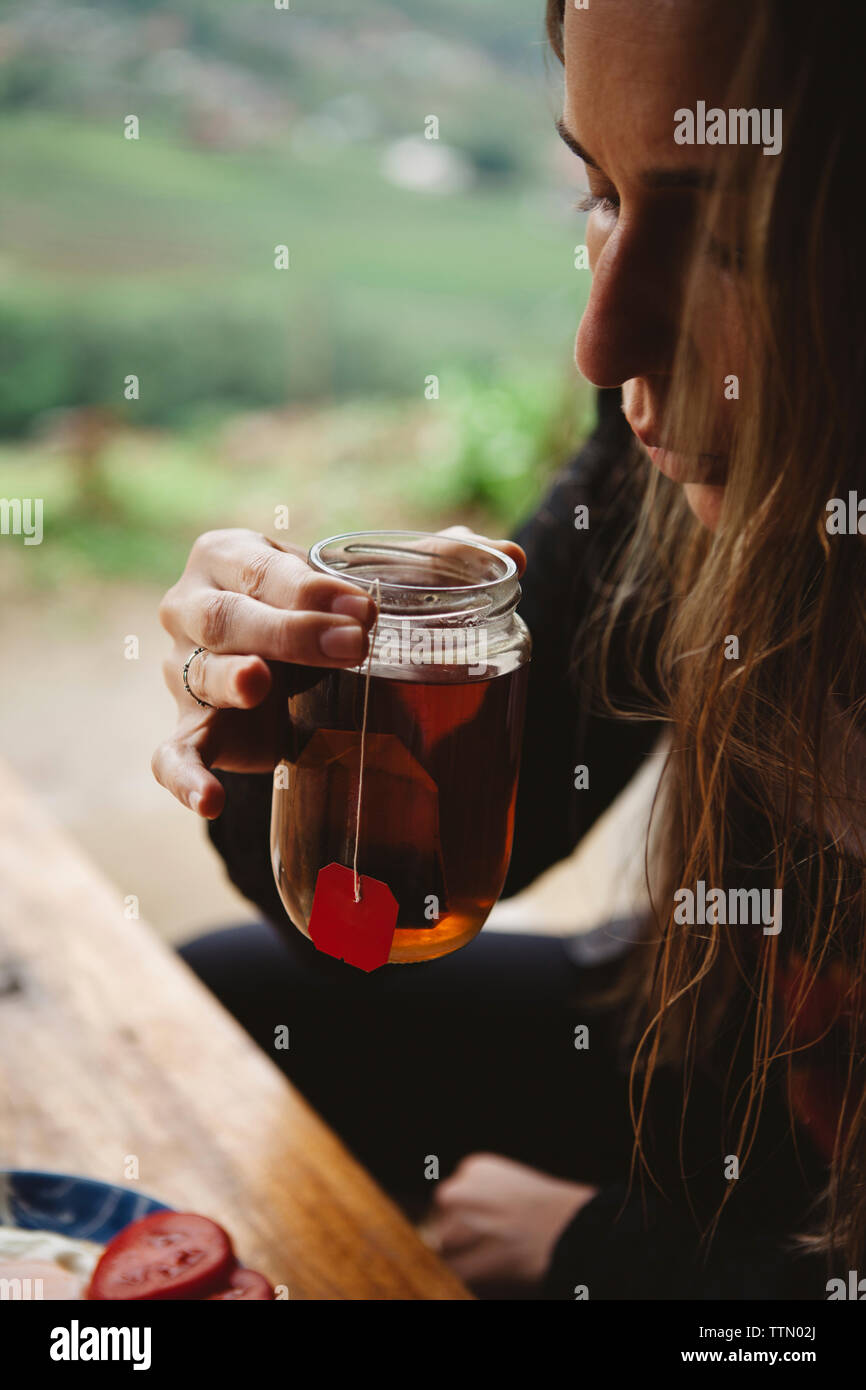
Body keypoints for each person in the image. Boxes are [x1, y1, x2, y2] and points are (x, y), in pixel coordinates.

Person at [152, 0, 865, 1299]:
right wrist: (296, 718)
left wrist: (599, 1252)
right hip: (730, 1056)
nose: (604, 341)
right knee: (233, 992)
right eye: (598, 192)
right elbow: (406, 904)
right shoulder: (684, 464)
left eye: (732, 236)